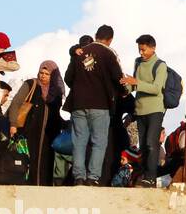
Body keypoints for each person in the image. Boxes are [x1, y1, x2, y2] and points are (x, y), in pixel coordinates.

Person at [64, 24, 124, 186]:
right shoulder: (108, 54)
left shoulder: (80, 52)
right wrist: (123, 91)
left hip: (78, 104)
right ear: (110, 40)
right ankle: (93, 177)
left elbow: (68, 78)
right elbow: (118, 78)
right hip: (100, 105)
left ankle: (78, 177)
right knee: (99, 142)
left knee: (79, 141)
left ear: (96, 35)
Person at [119, 34, 168, 187]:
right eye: (139, 50)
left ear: (153, 48)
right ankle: (145, 175)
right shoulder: (138, 62)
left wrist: (136, 82)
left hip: (155, 109)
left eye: (144, 50)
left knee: (151, 144)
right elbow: (135, 85)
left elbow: (156, 88)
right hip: (140, 110)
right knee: (143, 146)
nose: (141, 53)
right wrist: (126, 85)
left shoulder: (160, 65)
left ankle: (151, 177)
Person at [8, 61, 65, 186]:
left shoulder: (57, 91)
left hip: (49, 134)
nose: (43, 76)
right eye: (41, 73)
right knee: (28, 161)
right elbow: (16, 104)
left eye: (47, 74)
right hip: (29, 132)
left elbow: (55, 114)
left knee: (47, 163)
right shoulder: (31, 84)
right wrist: (13, 124)